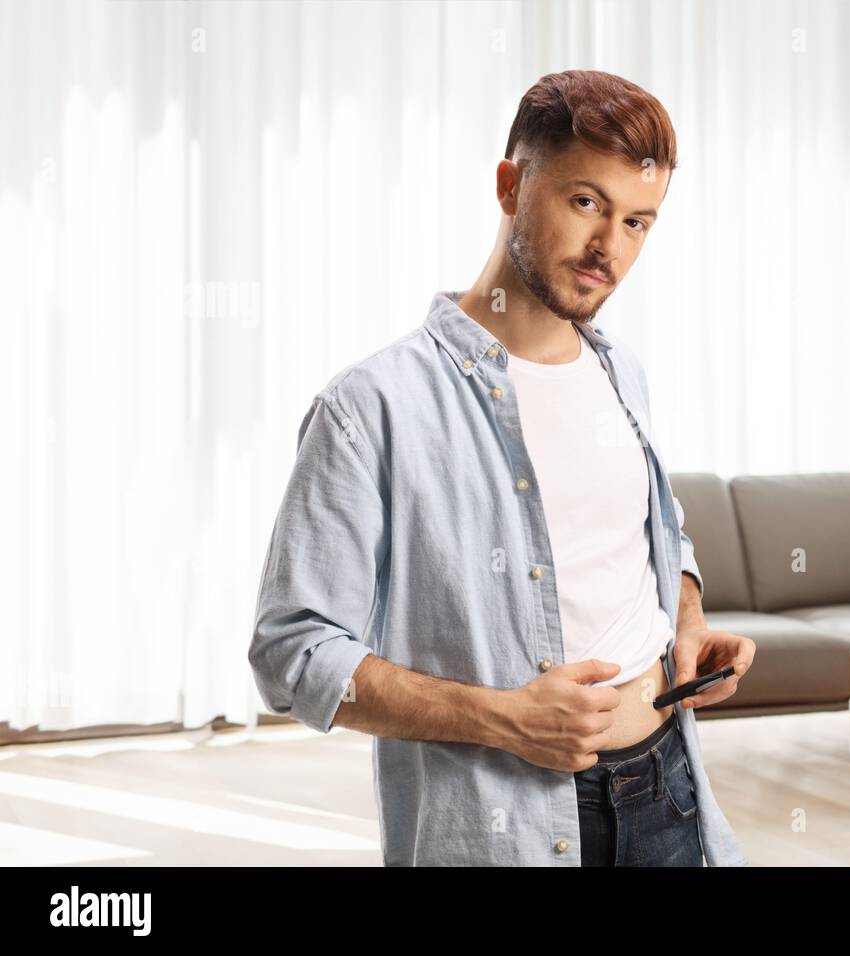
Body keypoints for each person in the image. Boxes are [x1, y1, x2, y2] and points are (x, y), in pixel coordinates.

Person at [248, 69, 754, 866]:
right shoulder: (373, 407)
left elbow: (659, 534)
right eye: (586, 202)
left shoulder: (623, 376)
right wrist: (501, 717)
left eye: (638, 223)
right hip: (508, 824)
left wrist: (687, 625)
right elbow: (293, 653)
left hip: (670, 786)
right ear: (510, 185)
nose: (608, 248)